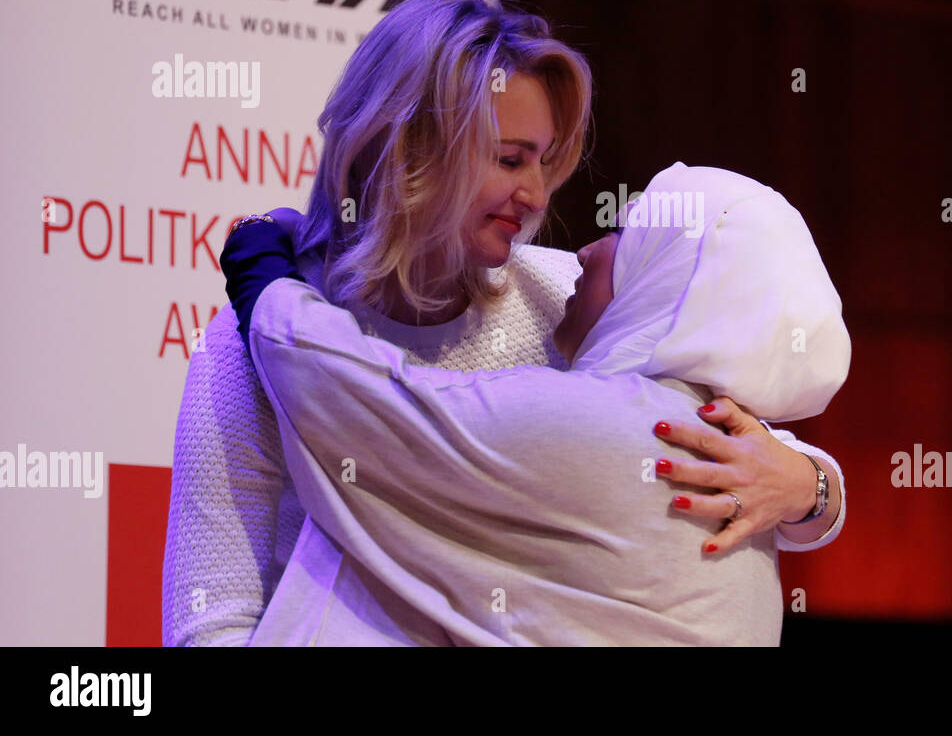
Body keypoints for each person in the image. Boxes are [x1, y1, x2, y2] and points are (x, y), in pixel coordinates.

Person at [162, 0, 846, 646]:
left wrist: (809, 484)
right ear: (408, 148)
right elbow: (211, 616)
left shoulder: (566, 297)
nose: (537, 193)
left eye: (545, 162)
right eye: (511, 158)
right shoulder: (243, 345)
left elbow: (693, 435)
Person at [224, 163, 850, 645]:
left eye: (626, 237)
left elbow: (353, 396)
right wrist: (816, 483)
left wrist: (258, 258)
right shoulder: (730, 448)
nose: (586, 249)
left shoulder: (612, 425)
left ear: (666, 279)